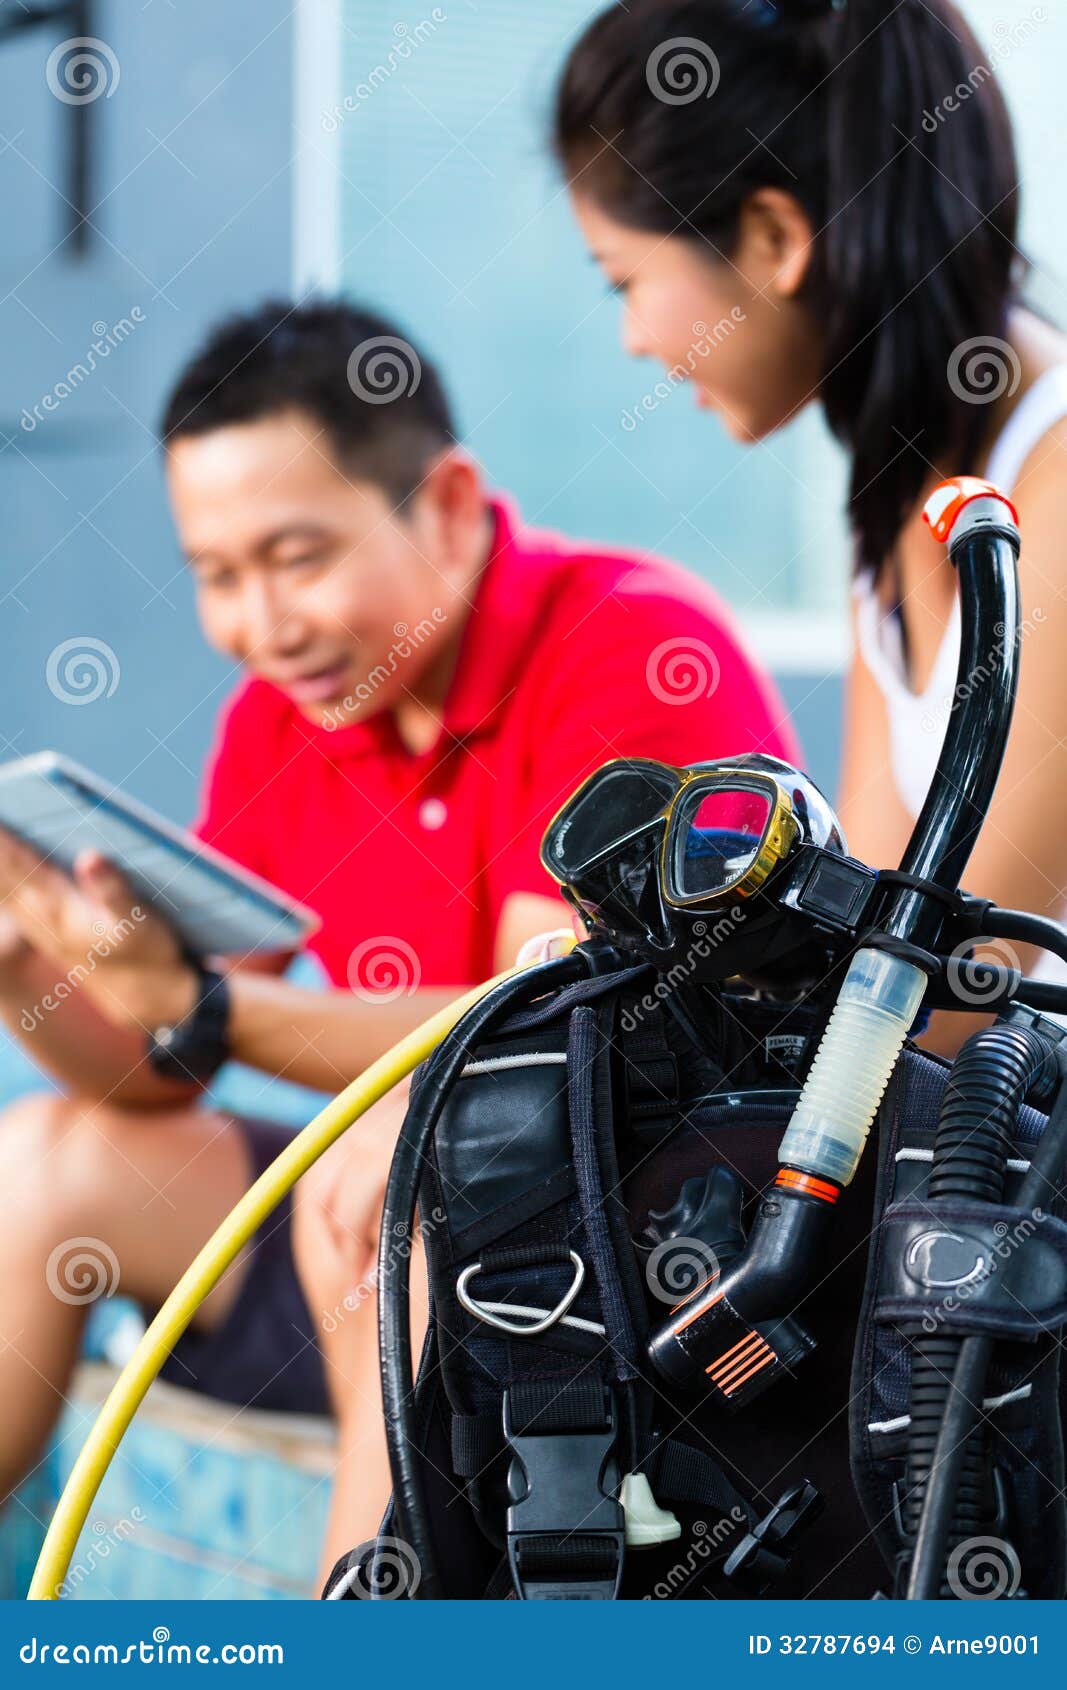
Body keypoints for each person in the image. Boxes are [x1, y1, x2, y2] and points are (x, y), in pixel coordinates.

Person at [0, 299, 799, 1579]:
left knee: (402, 1172)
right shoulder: (282, 719)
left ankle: (366, 1624)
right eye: (216, 573)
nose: (260, 626)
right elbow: (162, 1067)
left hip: (643, 1244)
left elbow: (538, 1040)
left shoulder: (630, 641)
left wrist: (205, 1006)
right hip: (388, 1221)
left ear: (443, 501)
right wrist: (34, 965)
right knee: (43, 1161)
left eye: (297, 555)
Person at [552, 0, 1067, 1058]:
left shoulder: (1051, 479)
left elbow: (941, 988)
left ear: (776, 238)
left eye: (627, 282)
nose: (632, 338)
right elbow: (870, 923)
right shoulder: (891, 505)